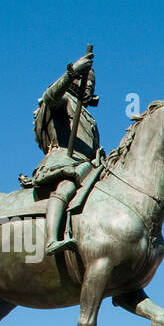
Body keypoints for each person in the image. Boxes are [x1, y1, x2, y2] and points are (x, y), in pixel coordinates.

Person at [25, 49, 103, 258]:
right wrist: (71, 72)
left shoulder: (90, 119)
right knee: (67, 187)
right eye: (86, 82)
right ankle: (52, 239)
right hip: (63, 162)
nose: (89, 87)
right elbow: (51, 97)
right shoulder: (65, 101)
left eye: (92, 85)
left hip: (87, 167)